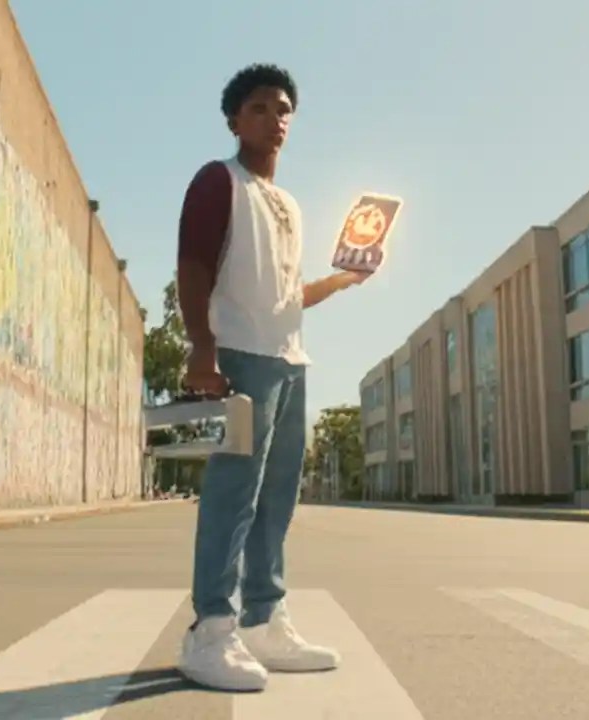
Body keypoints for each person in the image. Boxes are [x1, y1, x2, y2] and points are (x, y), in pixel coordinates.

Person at [174, 63, 369, 692]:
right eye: (259, 108)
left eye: (283, 109)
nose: (274, 119)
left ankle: (264, 619)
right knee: (234, 495)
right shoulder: (217, 180)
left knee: (278, 498)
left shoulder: (286, 203)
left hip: (289, 359)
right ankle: (210, 630)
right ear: (234, 119)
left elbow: (285, 293)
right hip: (238, 354)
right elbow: (195, 264)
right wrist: (201, 349)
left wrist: (340, 282)